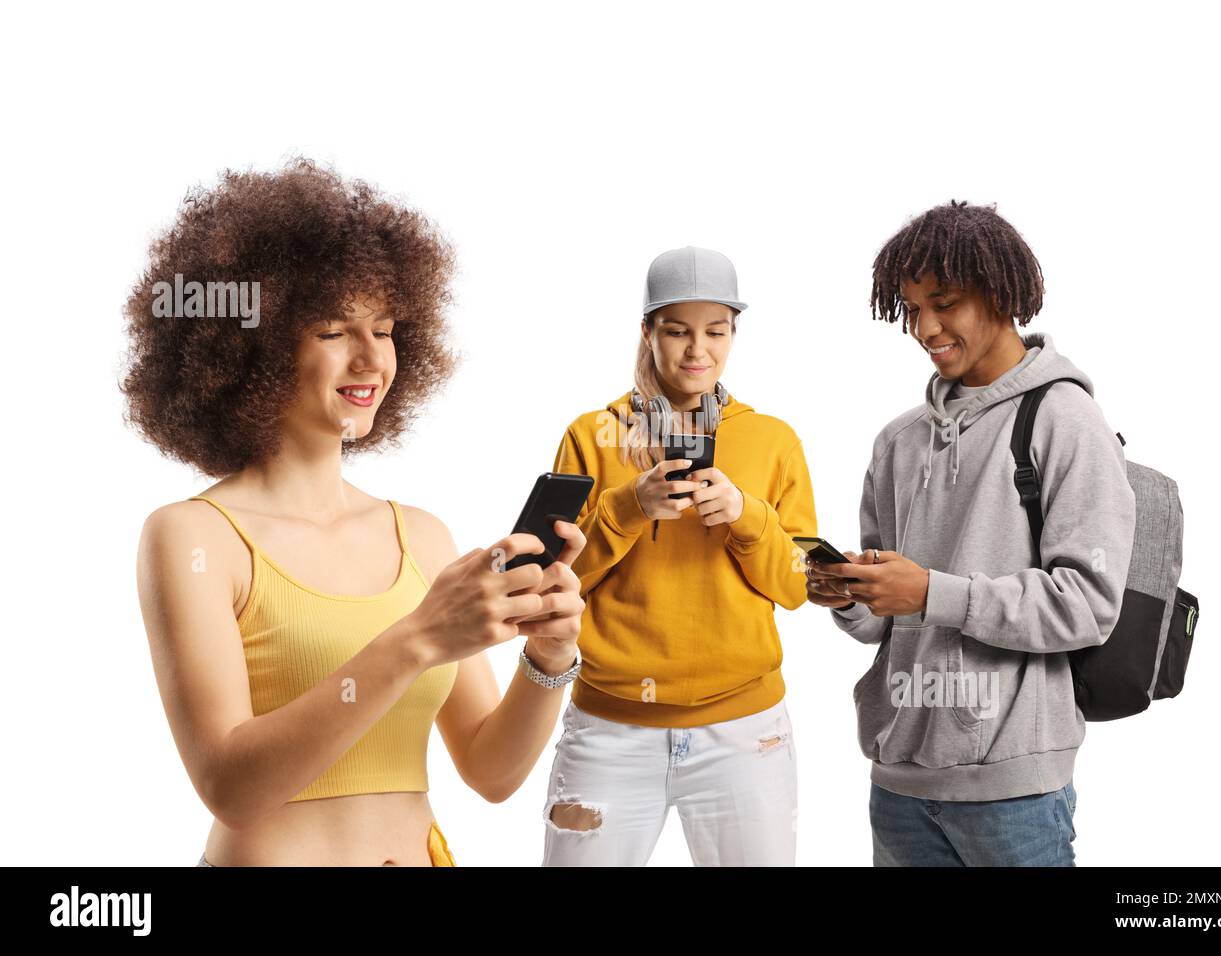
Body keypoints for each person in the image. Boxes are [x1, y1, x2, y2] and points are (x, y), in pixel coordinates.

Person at [124, 158, 587, 866]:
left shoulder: (421, 536)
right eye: (334, 331)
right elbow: (231, 787)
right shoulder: (193, 538)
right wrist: (417, 640)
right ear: (257, 350)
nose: (372, 358)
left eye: (386, 327)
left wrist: (549, 658)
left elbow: (492, 773)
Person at [805, 200, 1136, 866]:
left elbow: (1087, 605)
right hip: (899, 784)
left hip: (1014, 795)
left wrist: (930, 592)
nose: (924, 327)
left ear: (999, 292)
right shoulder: (897, 442)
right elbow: (882, 625)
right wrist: (852, 596)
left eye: (944, 303)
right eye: (910, 309)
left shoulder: (1066, 419)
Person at [541, 246, 817, 866]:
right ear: (647, 332)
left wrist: (747, 517)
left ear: (733, 336)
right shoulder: (593, 434)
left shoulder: (773, 441)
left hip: (746, 735)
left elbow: (800, 585)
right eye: (677, 331)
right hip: (609, 731)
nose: (698, 350)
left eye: (715, 332)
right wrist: (628, 507)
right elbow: (551, 581)